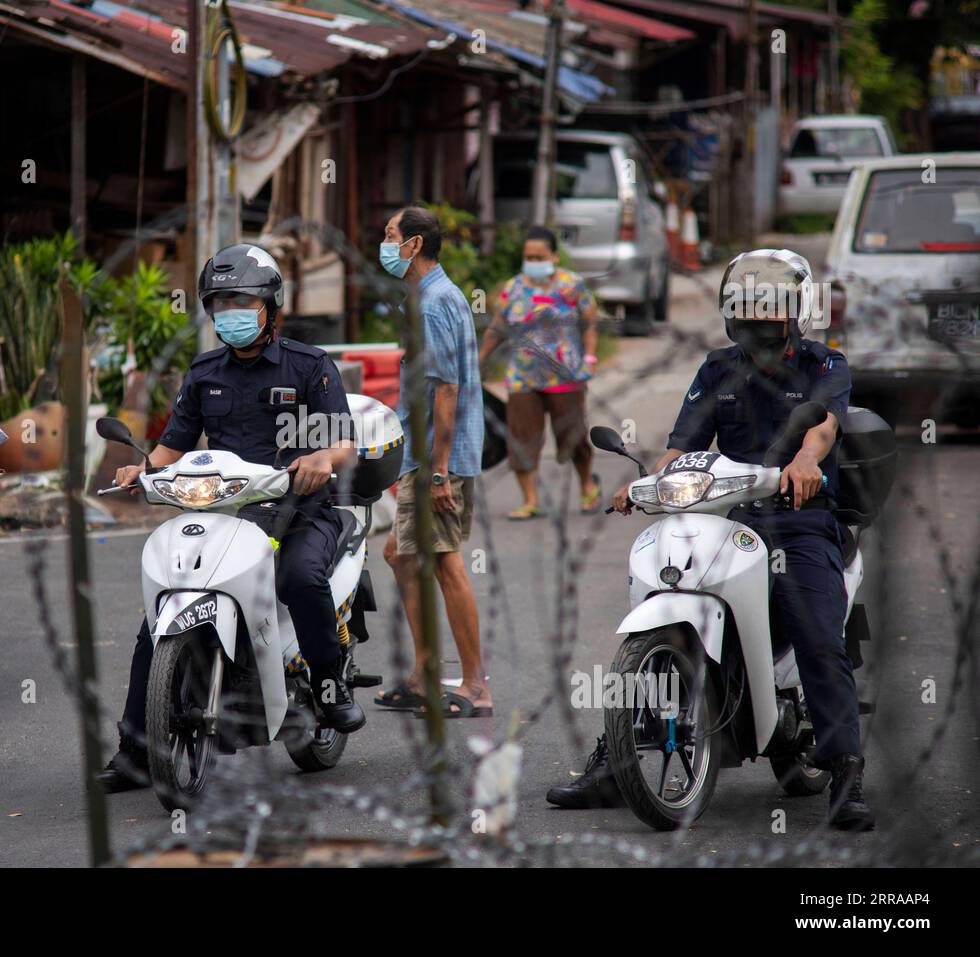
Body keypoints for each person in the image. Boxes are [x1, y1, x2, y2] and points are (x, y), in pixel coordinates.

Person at [546, 248, 874, 830]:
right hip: (730, 513)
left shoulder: (826, 365)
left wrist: (802, 464)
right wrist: (651, 482)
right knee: (662, 599)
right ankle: (618, 755)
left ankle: (846, 775)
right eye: (746, 306)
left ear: (792, 312)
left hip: (798, 518)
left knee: (818, 635)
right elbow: (684, 445)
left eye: (767, 308)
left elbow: (822, 426)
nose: (756, 318)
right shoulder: (717, 370)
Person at [100, 243, 363, 793]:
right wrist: (141, 468)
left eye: (242, 300)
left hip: (298, 511)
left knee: (299, 579)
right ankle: (135, 751)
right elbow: (173, 445)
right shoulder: (203, 372)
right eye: (220, 303)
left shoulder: (311, 367)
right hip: (224, 512)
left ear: (270, 305)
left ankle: (331, 689)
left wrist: (320, 459)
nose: (230, 313)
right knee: (162, 612)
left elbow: (344, 444)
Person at [372, 206, 491, 719]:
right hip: (425, 455)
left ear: (415, 244)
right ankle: (424, 673)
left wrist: (438, 470)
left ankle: (475, 686)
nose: (385, 242)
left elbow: (447, 389)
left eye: (390, 234)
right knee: (399, 555)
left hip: (436, 459)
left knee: (444, 563)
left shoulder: (434, 302)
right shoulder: (429, 297)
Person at [478, 225, 602, 518]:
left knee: (573, 437)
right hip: (522, 377)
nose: (533, 262)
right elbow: (497, 328)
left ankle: (587, 486)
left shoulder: (573, 286)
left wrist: (590, 358)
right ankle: (530, 499)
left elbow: (590, 325)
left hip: (566, 375)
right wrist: (480, 358)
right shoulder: (514, 288)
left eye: (539, 256)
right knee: (521, 439)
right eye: (528, 257)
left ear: (555, 257)